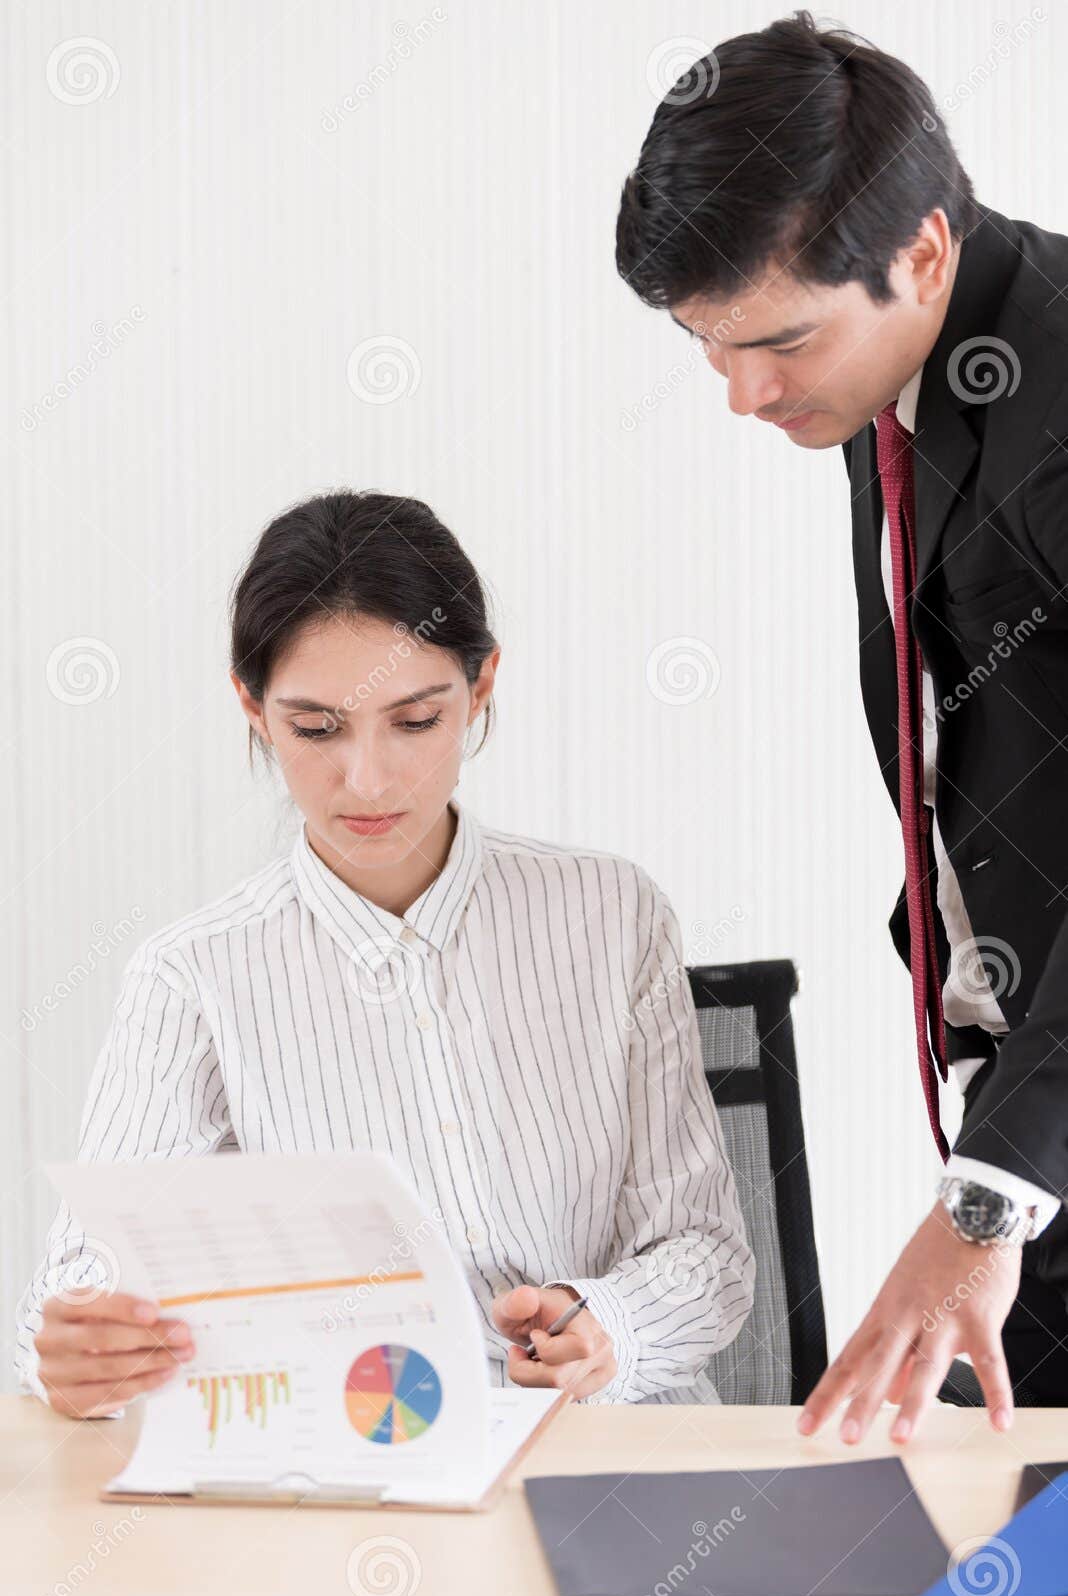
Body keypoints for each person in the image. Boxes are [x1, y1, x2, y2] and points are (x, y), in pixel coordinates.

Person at [15, 489, 754, 1419]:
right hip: (364, 1476)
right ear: (252, 707)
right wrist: (79, 1354)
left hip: (615, 1464)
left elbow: (706, 1253)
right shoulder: (195, 975)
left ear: (480, 688)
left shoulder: (614, 914)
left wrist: (609, 1325)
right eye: (316, 728)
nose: (365, 779)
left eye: (415, 720)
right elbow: (78, 1289)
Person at [616, 10, 1068, 1438]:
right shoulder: (885, 371)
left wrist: (990, 1193)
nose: (743, 394)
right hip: (1029, 1088)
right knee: (1004, 1560)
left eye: (776, 343)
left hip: (1030, 1138)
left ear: (923, 251)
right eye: (708, 346)